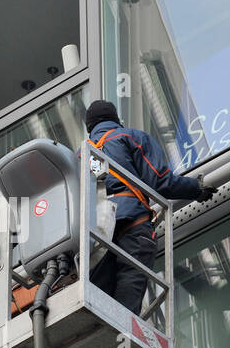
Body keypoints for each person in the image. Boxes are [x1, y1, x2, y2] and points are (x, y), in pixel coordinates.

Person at [84, 99, 215, 315]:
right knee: (130, 279)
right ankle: (122, 331)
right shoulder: (129, 137)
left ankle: (107, 334)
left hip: (95, 232)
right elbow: (161, 182)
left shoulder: (80, 156)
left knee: (99, 294)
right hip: (132, 223)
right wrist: (196, 189)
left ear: (90, 128)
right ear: (116, 120)